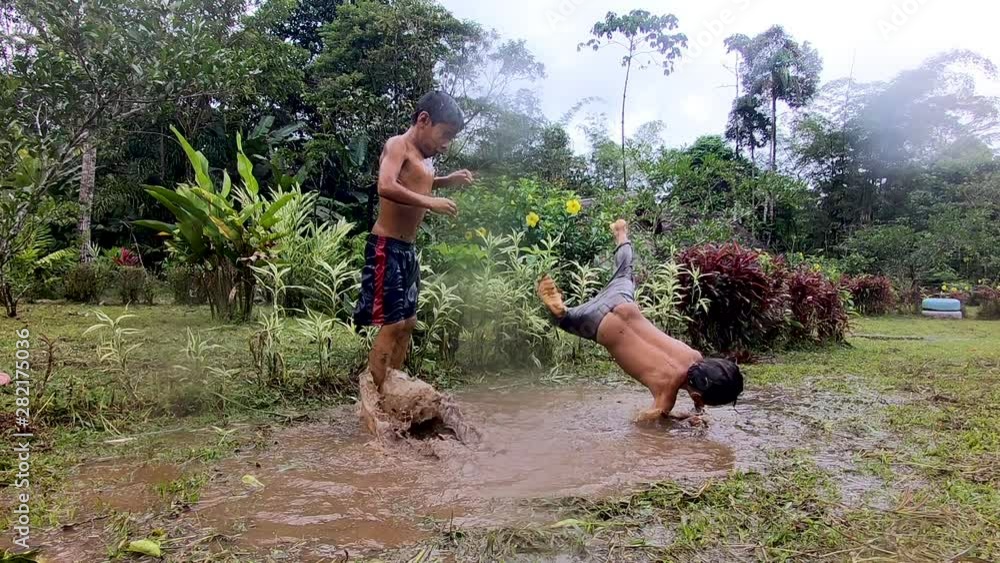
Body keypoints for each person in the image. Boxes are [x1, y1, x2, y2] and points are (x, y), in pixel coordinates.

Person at [536, 220, 744, 425]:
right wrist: (673, 417)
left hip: (621, 302)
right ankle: (561, 311)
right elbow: (641, 420)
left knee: (625, 268)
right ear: (697, 396)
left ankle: (621, 233)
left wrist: (698, 409)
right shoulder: (666, 394)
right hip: (597, 324)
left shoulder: (694, 356)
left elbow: (700, 379)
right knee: (561, 320)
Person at [353, 91, 474, 391]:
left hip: (407, 250)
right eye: (444, 135)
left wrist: (447, 181)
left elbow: (420, 179)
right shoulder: (398, 145)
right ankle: (376, 396)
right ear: (423, 120)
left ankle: (394, 389)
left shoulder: (425, 159)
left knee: (407, 323)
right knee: (392, 323)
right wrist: (430, 203)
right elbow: (386, 184)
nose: (445, 144)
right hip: (386, 247)